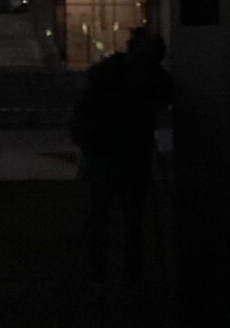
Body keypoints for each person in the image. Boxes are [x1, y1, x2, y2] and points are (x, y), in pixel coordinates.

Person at [71, 25, 174, 302]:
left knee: (101, 218)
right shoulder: (151, 78)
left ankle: (97, 277)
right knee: (132, 221)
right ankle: (130, 280)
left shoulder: (111, 70)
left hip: (104, 153)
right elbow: (162, 103)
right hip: (131, 154)